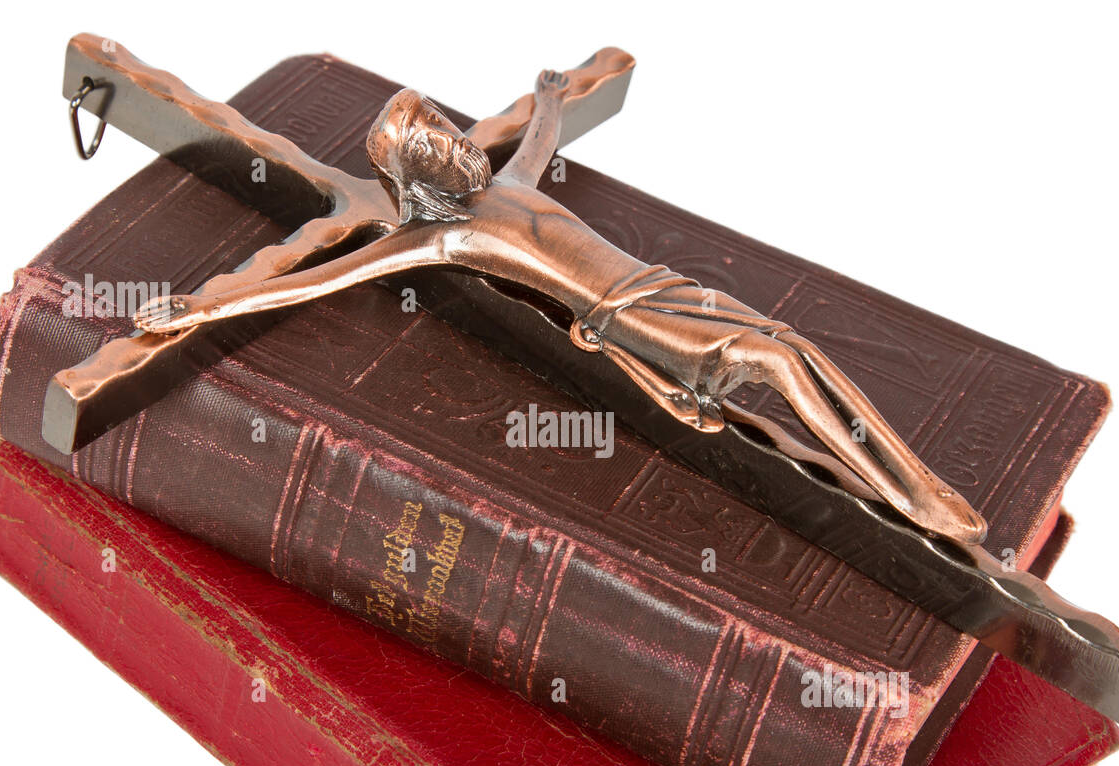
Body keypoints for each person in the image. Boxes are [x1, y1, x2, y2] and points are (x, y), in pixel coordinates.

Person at [135, 71, 986, 545]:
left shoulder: (504, 183)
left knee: (794, 347)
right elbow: (311, 281)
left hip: (671, 285)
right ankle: (915, 497)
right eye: (437, 141)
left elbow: (539, 137)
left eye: (449, 126)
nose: (459, 141)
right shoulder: (442, 238)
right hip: (633, 319)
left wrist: (548, 96)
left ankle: (913, 483)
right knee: (780, 361)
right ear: (422, 171)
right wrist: (195, 310)